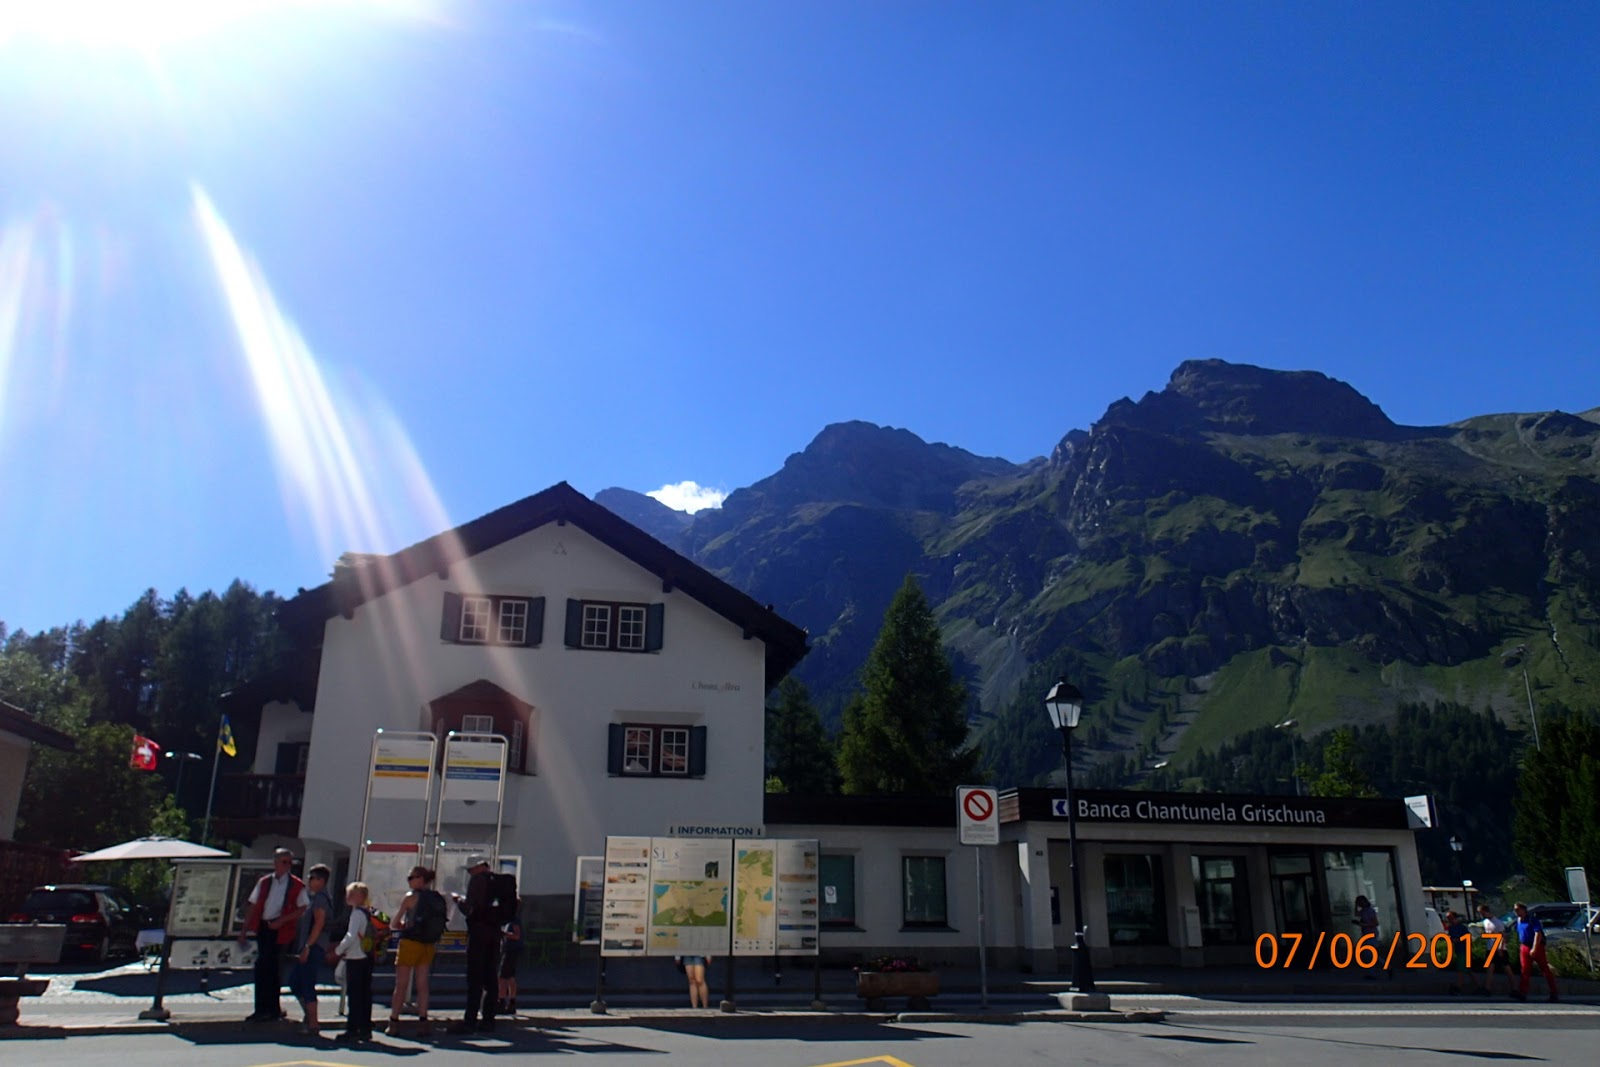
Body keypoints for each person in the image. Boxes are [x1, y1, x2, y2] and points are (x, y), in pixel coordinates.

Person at [238, 847, 309, 1022]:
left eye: (290, 862)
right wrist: (244, 930)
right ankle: (261, 1008)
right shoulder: (264, 882)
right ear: (275, 863)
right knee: (262, 967)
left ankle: (273, 1009)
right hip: (264, 926)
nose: (287, 865)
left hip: (281, 929)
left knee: (275, 968)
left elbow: (302, 908)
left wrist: (283, 920)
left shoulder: (296, 884)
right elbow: (253, 905)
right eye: (284, 862)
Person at [387, 865, 445, 1037]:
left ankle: (394, 1021)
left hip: (410, 943)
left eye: (411, 877)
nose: (409, 881)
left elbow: (394, 923)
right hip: (428, 944)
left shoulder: (410, 897)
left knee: (401, 984)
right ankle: (423, 1021)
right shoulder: (436, 897)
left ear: (420, 879)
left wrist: (404, 926)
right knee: (422, 985)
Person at [449, 855, 500, 1033]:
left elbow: (470, 908)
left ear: (479, 867)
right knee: (491, 979)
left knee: (475, 979)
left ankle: (470, 1021)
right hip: (495, 933)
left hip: (479, 933)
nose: (470, 873)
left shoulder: (478, 880)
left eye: (471, 870)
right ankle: (488, 1019)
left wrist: (458, 901)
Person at [287, 864, 334, 1033]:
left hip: (314, 947)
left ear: (321, 880)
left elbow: (319, 924)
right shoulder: (312, 897)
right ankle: (308, 1016)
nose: (309, 881)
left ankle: (313, 1022)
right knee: (295, 982)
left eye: (312, 878)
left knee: (306, 983)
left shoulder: (321, 899)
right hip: (307, 946)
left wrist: (308, 946)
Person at [329, 881, 374, 1043]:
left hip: (355, 957)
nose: (348, 897)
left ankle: (352, 1029)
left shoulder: (356, 914)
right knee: (365, 994)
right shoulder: (367, 912)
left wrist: (337, 951)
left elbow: (350, 936)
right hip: (367, 956)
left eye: (351, 894)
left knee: (354, 995)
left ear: (361, 896)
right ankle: (365, 1028)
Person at [1512, 901, 1560, 1002]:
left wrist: (1534, 948)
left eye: (1517, 910)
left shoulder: (1532, 920)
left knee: (1544, 969)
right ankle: (1523, 992)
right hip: (1524, 946)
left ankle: (1554, 992)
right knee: (1525, 970)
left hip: (1536, 946)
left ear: (1523, 910)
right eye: (1515, 910)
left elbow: (1538, 934)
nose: (1516, 912)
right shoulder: (1519, 921)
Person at [1477, 904, 1516, 996]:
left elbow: (1503, 936)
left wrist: (1501, 948)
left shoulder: (1497, 922)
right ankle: (1487, 988)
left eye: (1482, 913)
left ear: (1487, 911)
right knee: (1490, 968)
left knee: (1507, 968)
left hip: (1499, 948)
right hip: (1490, 948)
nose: (1482, 915)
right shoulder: (1485, 922)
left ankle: (1515, 988)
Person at [498, 911, 523, 1016]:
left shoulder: (514, 920)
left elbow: (517, 936)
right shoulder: (509, 921)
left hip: (510, 951)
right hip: (510, 950)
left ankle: (501, 1001)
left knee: (502, 977)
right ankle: (511, 1002)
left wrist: (503, 934)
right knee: (510, 977)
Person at [1352, 895, 1381, 980]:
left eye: (1360, 902)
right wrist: (1355, 905)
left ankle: (1382, 967)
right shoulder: (1363, 911)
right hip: (1366, 933)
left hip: (1371, 933)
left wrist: (1364, 925)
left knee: (1369, 953)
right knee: (1367, 954)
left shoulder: (1370, 911)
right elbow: (1356, 914)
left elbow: (1375, 923)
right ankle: (1372, 972)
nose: (1360, 904)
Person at [1444, 910, 1471, 995]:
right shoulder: (1451, 928)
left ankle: (1458, 987)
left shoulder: (1461, 927)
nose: (1448, 919)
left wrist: (1458, 940)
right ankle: (1478, 986)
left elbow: (1468, 937)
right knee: (1468, 970)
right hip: (1458, 950)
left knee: (1460, 970)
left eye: (1450, 918)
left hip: (1464, 950)